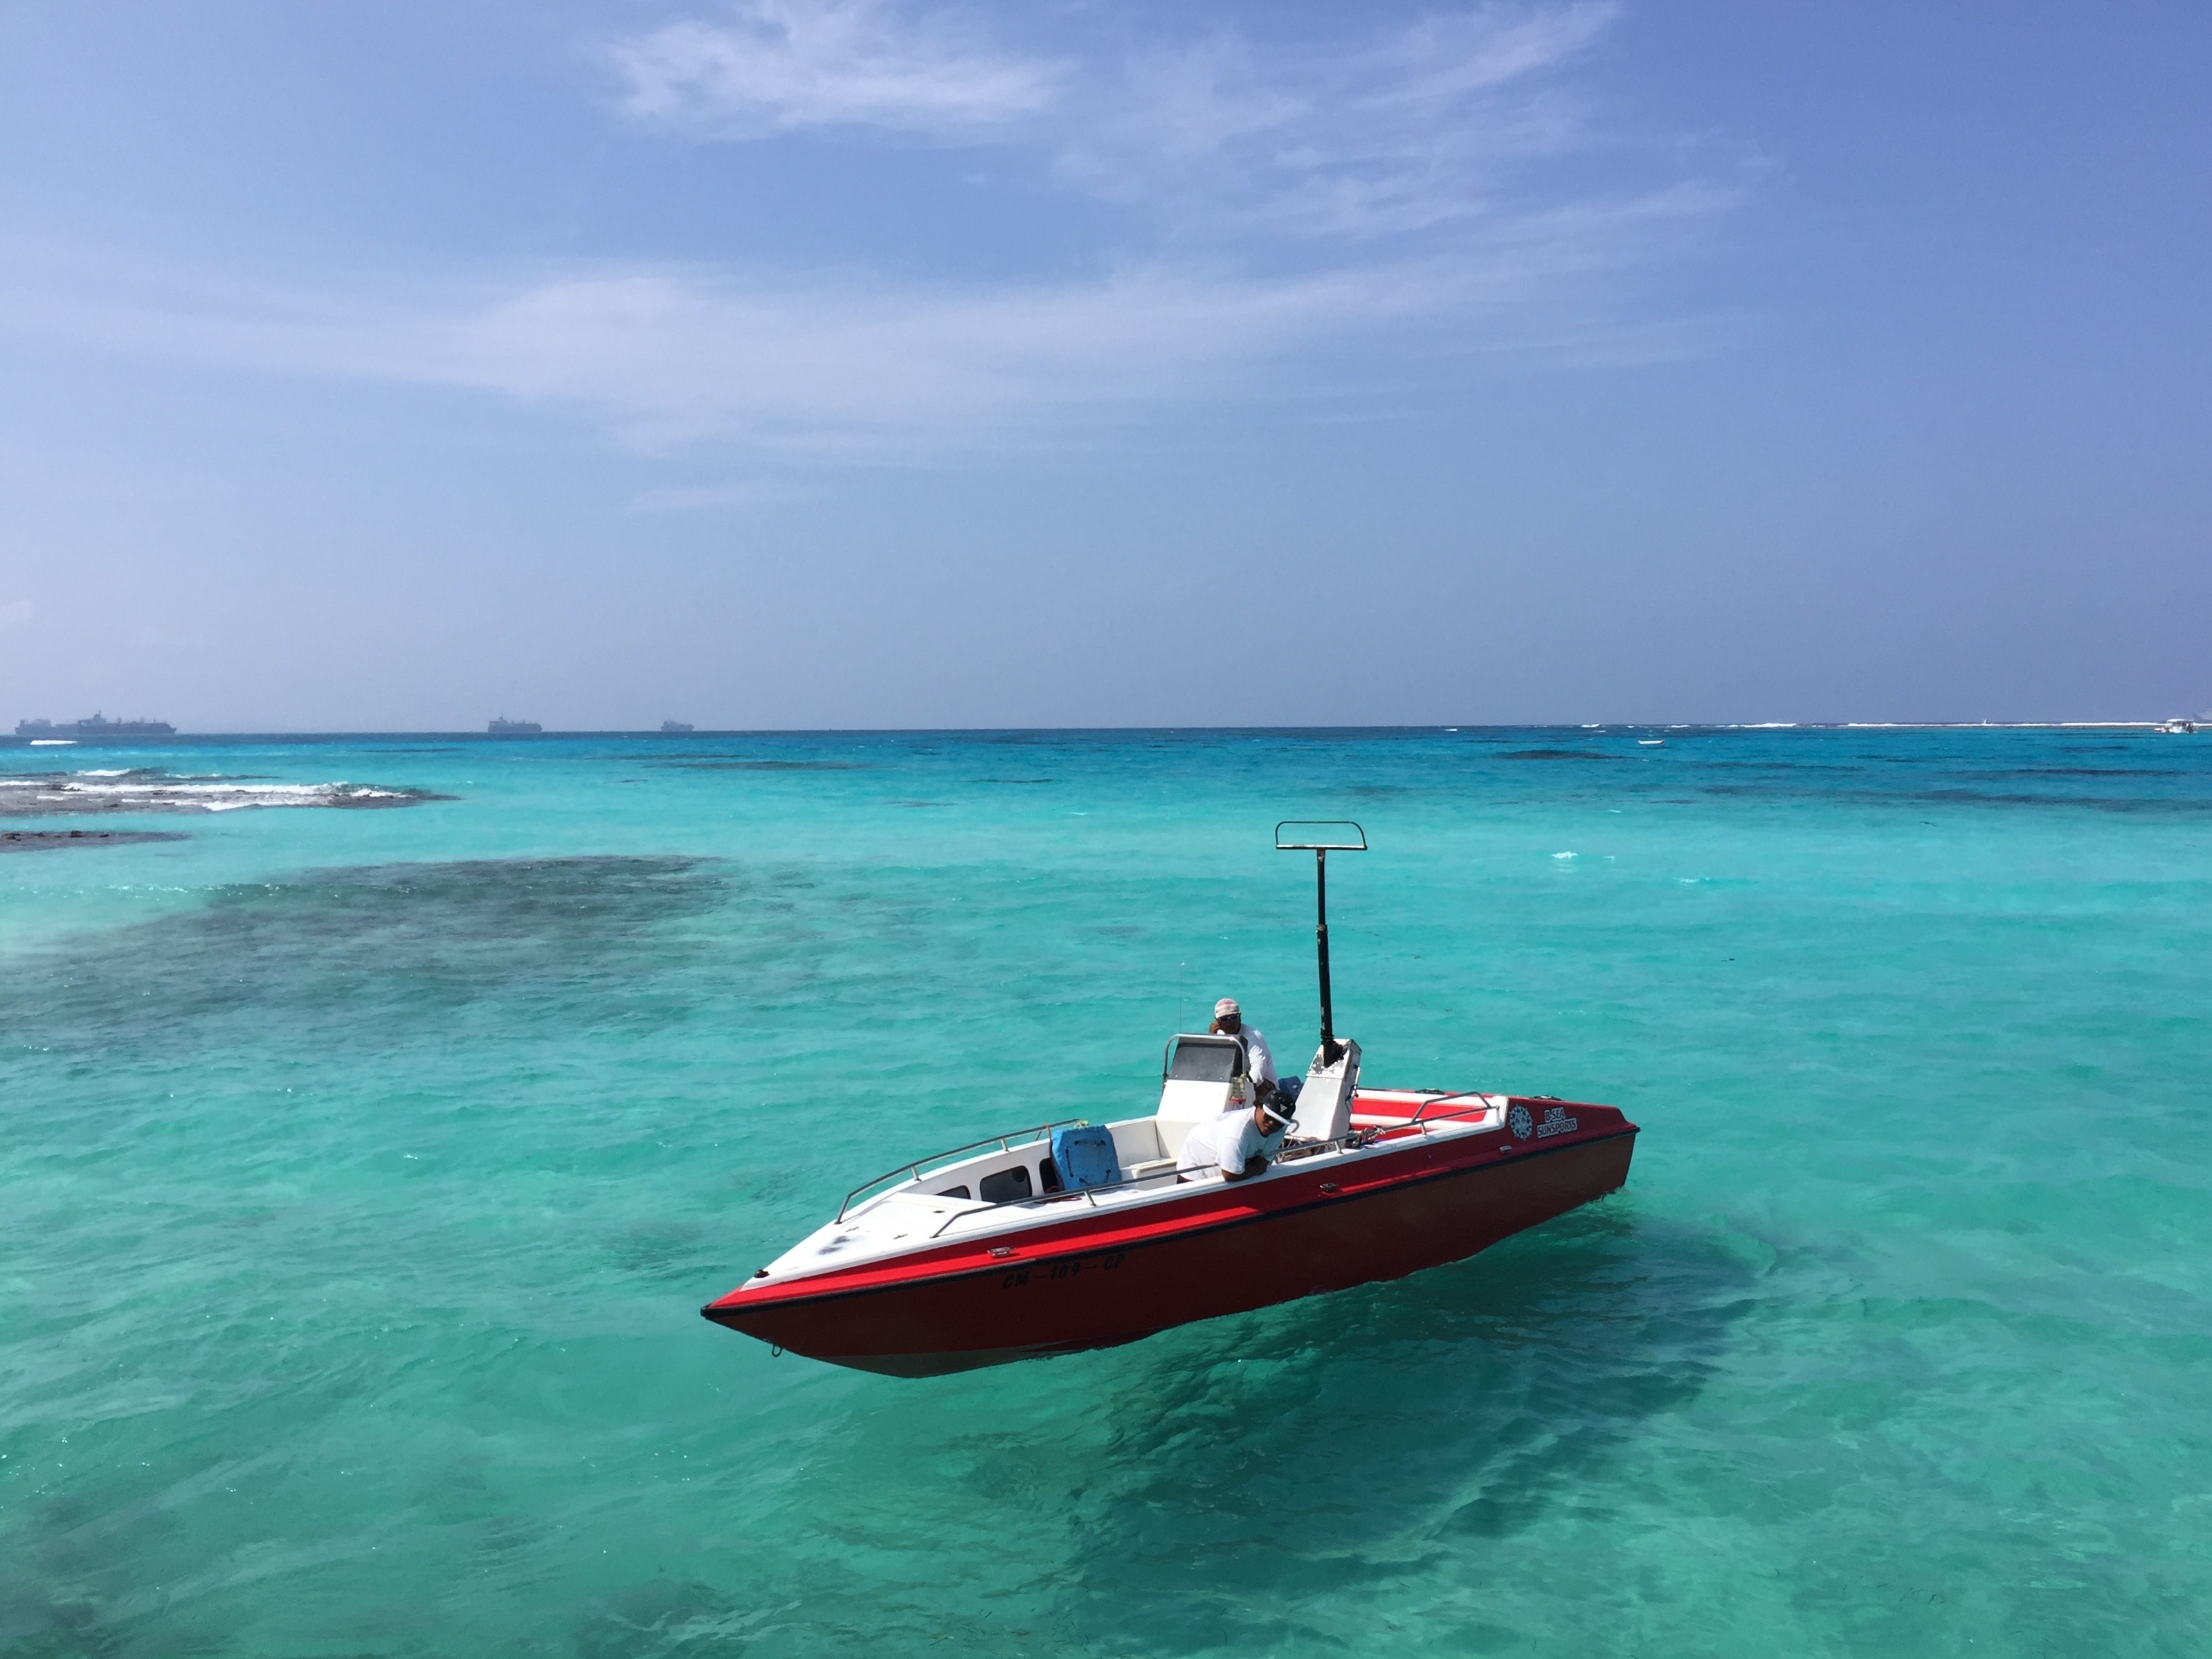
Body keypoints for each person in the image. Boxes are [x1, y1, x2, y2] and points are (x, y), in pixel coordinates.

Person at [1177, 1089, 1299, 1183]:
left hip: (1234, 1163)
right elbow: (1231, 1174)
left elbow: (1263, 1162)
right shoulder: (1237, 1132)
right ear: (1259, 1106)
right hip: (1197, 1159)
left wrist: (1254, 1168)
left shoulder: (1280, 1129)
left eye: (1279, 1122)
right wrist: (1256, 1169)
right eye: (1269, 1116)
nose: (1272, 1124)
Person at [1209, 997, 1275, 1095]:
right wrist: (1211, 1038)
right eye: (1224, 1019)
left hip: (1263, 1087)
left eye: (1233, 1017)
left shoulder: (1252, 1036)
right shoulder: (1218, 1035)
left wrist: (1239, 1090)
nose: (1229, 1023)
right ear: (1217, 1022)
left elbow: (1258, 1068)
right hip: (1233, 1083)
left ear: (1240, 1016)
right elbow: (1212, 1064)